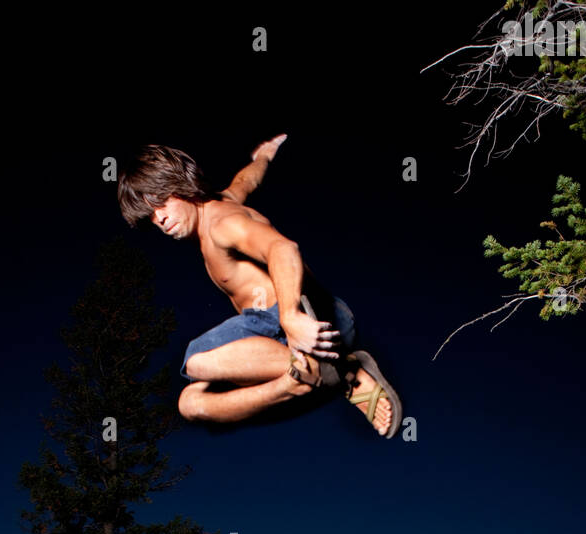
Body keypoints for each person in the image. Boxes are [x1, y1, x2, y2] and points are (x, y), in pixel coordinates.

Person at [117, 137, 402, 438]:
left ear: (179, 185)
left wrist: (290, 318)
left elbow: (282, 248)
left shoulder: (221, 224)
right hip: (279, 334)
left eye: (161, 203)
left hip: (300, 321)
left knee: (195, 360)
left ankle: (342, 373)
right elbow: (246, 180)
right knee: (191, 403)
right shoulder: (225, 200)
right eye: (150, 216)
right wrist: (263, 156)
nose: (159, 219)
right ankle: (294, 382)